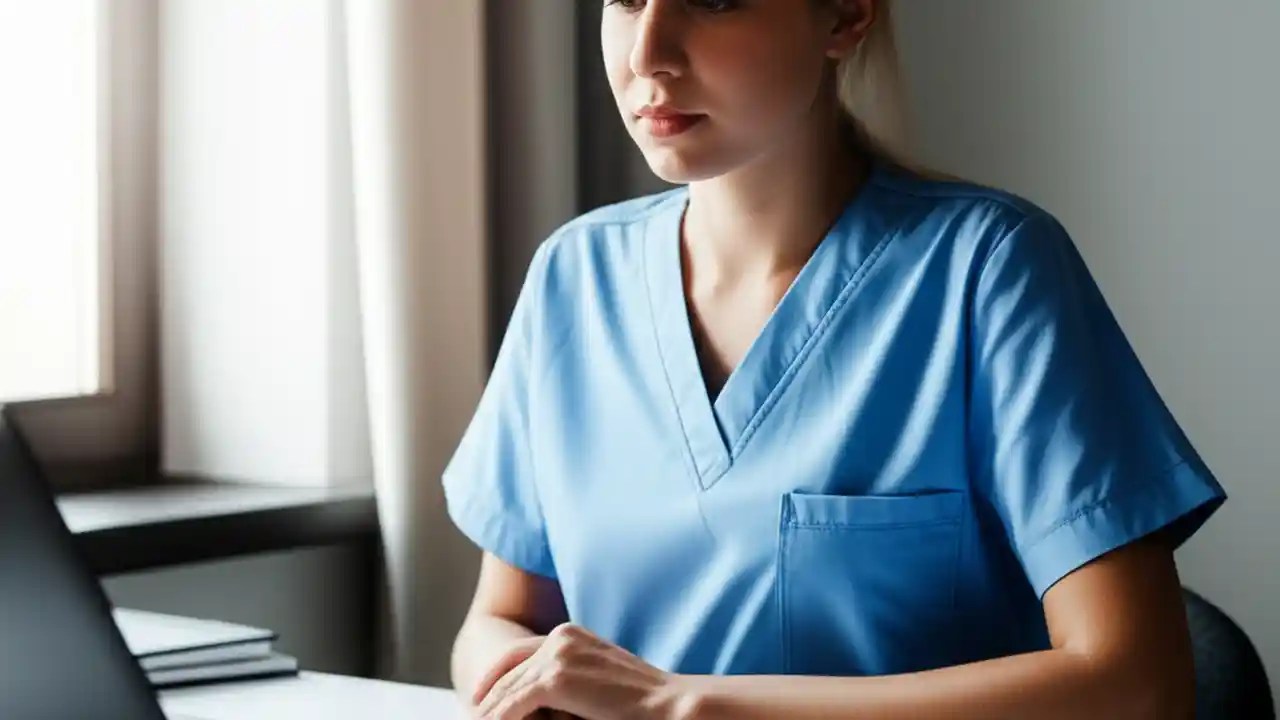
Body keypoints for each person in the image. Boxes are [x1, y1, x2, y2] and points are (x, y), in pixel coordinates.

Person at [444, 1, 1227, 718]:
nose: (647, 52)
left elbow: (1136, 681)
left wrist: (686, 707)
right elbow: (500, 618)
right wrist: (528, 680)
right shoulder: (572, 279)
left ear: (847, 16)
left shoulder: (988, 271)